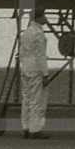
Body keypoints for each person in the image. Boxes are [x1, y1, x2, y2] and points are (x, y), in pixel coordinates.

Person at [17, 11, 50, 139]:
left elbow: (21, 51)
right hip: (36, 68)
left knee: (27, 98)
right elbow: (40, 55)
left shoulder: (27, 32)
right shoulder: (38, 33)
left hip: (26, 67)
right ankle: (35, 129)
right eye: (44, 16)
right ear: (39, 17)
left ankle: (25, 127)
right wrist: (45, 73)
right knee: (37, 99)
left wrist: (24, 65)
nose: (46, 18)